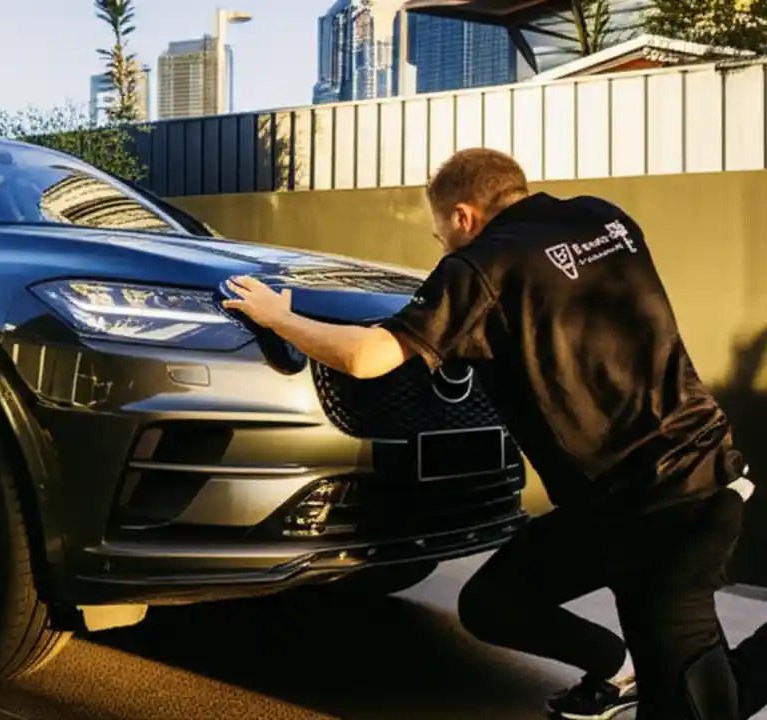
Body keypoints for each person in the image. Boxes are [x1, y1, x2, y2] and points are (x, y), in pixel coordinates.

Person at [221, 147, 766, 720]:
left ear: (462, 215)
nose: (444, 246)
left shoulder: (480, 266)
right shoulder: (606, 218)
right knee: (494, 603)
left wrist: (277, 316)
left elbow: (365, 357)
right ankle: (618, 668)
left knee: (698, 709)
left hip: (670, 509)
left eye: (440, 234)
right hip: (620, 503)